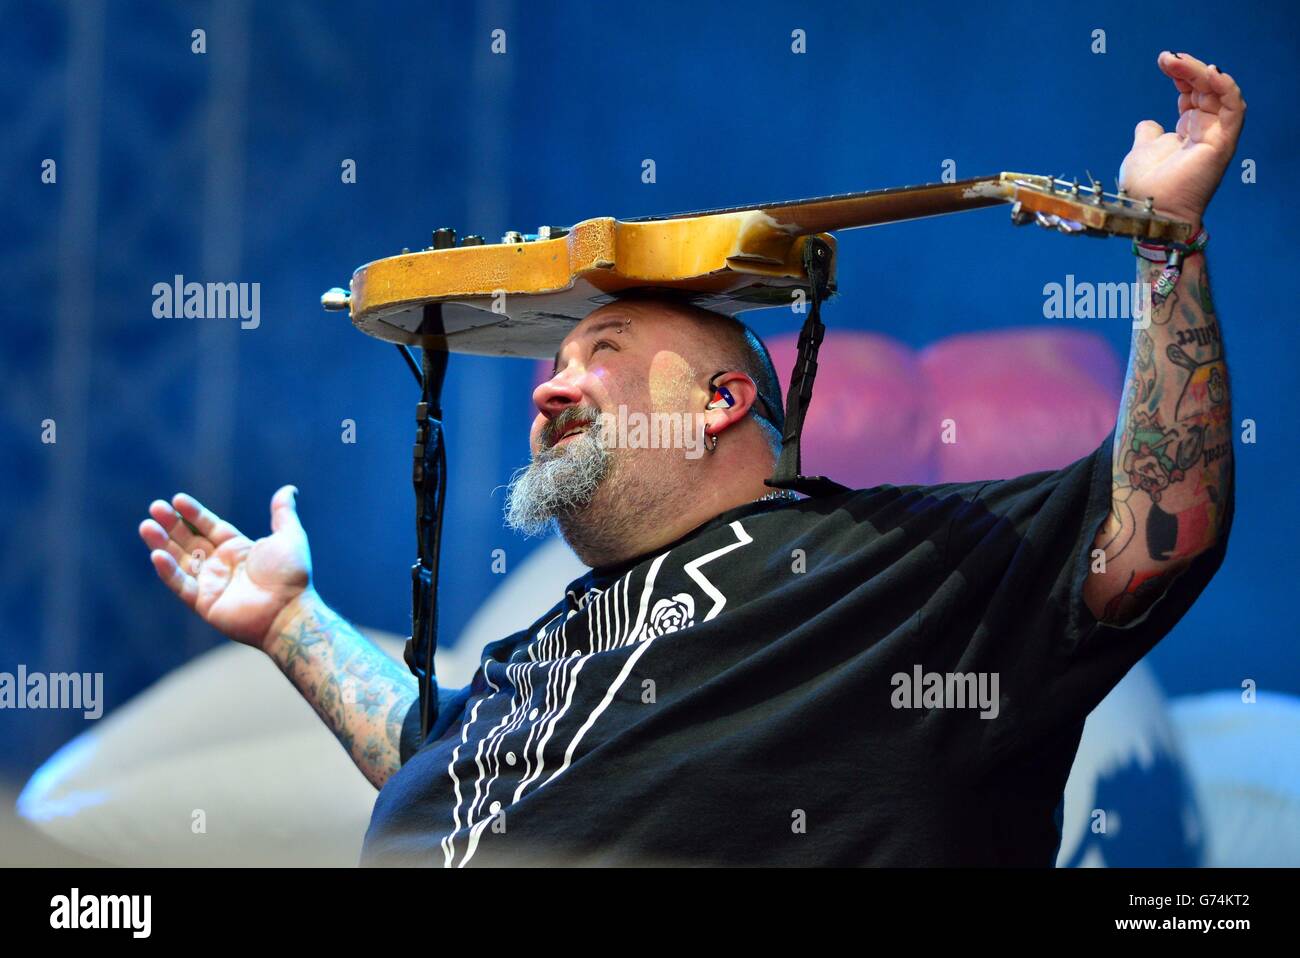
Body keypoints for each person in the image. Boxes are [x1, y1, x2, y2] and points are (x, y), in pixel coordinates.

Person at [139, 50, 1241, 866]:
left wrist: (1162, 243)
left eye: (602, 352)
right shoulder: (547, 647)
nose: (550, 383)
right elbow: (444, 762)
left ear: (722, 401)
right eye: (554, 359)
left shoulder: (884, 574)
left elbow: (1155, 526)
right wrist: (292, 622)